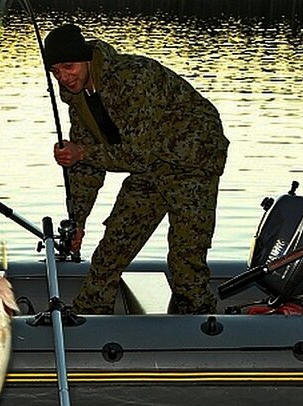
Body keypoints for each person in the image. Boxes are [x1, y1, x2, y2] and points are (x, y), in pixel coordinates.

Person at [42, 24, 229, 315]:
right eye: (56, 71)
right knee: (110, 252)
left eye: (69, 66)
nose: (64, 77)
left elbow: (137, 153)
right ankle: (89, 318)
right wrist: (78, 220)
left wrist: (82, 152)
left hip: (194, 161)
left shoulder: (134, 77)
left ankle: (199, 325)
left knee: (185, 261)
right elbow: (88, 167)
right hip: (150, 169)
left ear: (87, 59)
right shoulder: (78, 101)